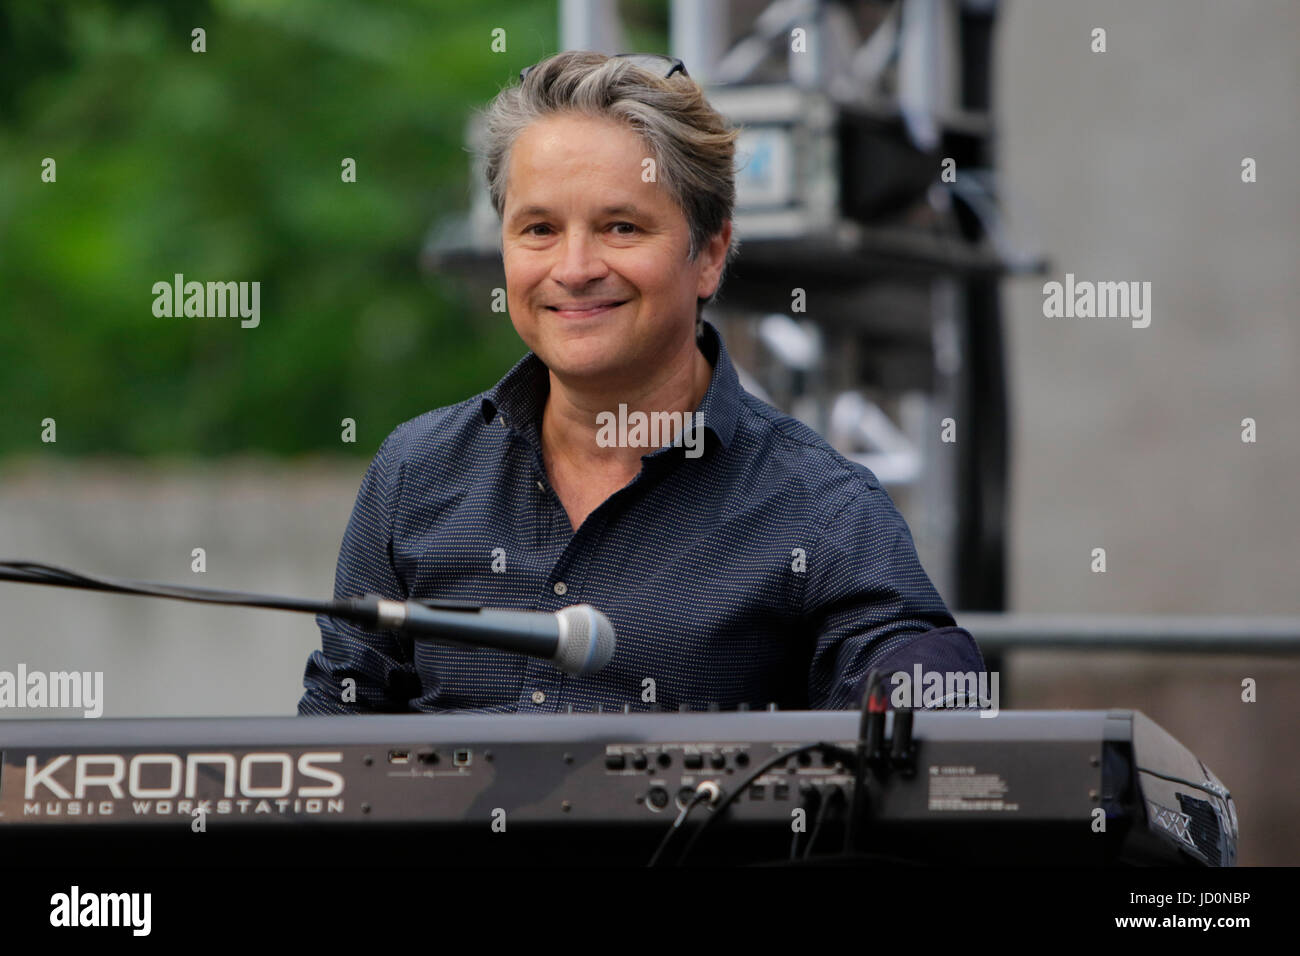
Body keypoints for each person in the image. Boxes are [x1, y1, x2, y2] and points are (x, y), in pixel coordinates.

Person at [298, 50, 983, 716]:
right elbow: (328, 761)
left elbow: (922, 699)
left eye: (620, 227)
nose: (573, 268)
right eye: (538, 229)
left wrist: (916, 676)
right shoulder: (413, 477)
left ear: (710, 254)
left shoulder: (821, 511)